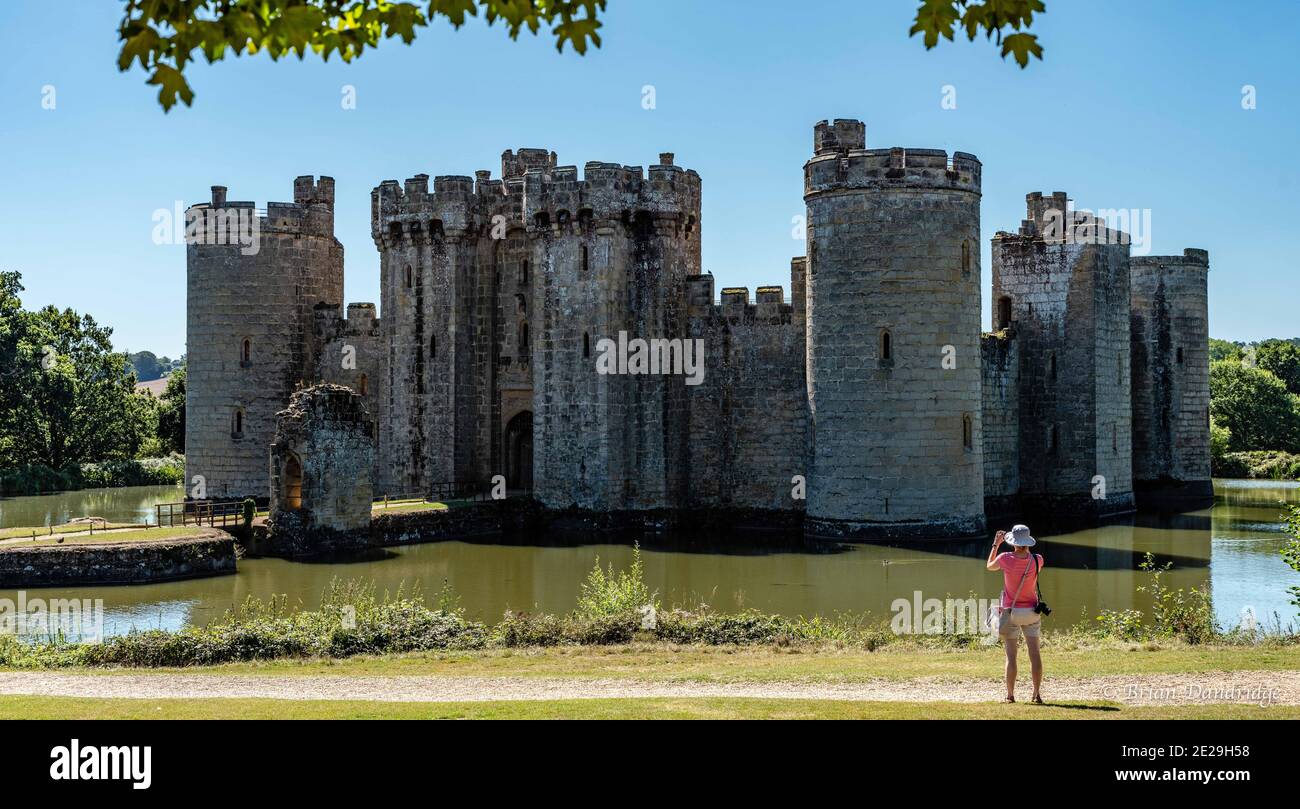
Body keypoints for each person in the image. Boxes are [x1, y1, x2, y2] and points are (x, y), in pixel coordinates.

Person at [985, 524, 1044, 704]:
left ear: (1012, 542)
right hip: (1032, 612)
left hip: (1011, 612)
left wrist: (996, 544)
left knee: (1011, 656)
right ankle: (1036, 694)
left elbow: (989, 566)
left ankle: (1010, 696)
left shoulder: (1005, 558)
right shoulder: (1037, 559)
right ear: (1028, 542)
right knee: (1034, 654)